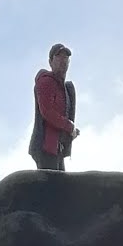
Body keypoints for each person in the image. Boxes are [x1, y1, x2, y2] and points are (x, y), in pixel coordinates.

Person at [29, 43, 79, 172]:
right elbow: (47, 112)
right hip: (46, 146)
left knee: (61, 187)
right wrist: (69, 126)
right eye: (59, 57)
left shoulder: (64, 88)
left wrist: (70, 131)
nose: (63, 61)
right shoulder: (46, 81)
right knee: (52, 187)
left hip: (57, 148)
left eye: (66, 58)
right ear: (50, 61)